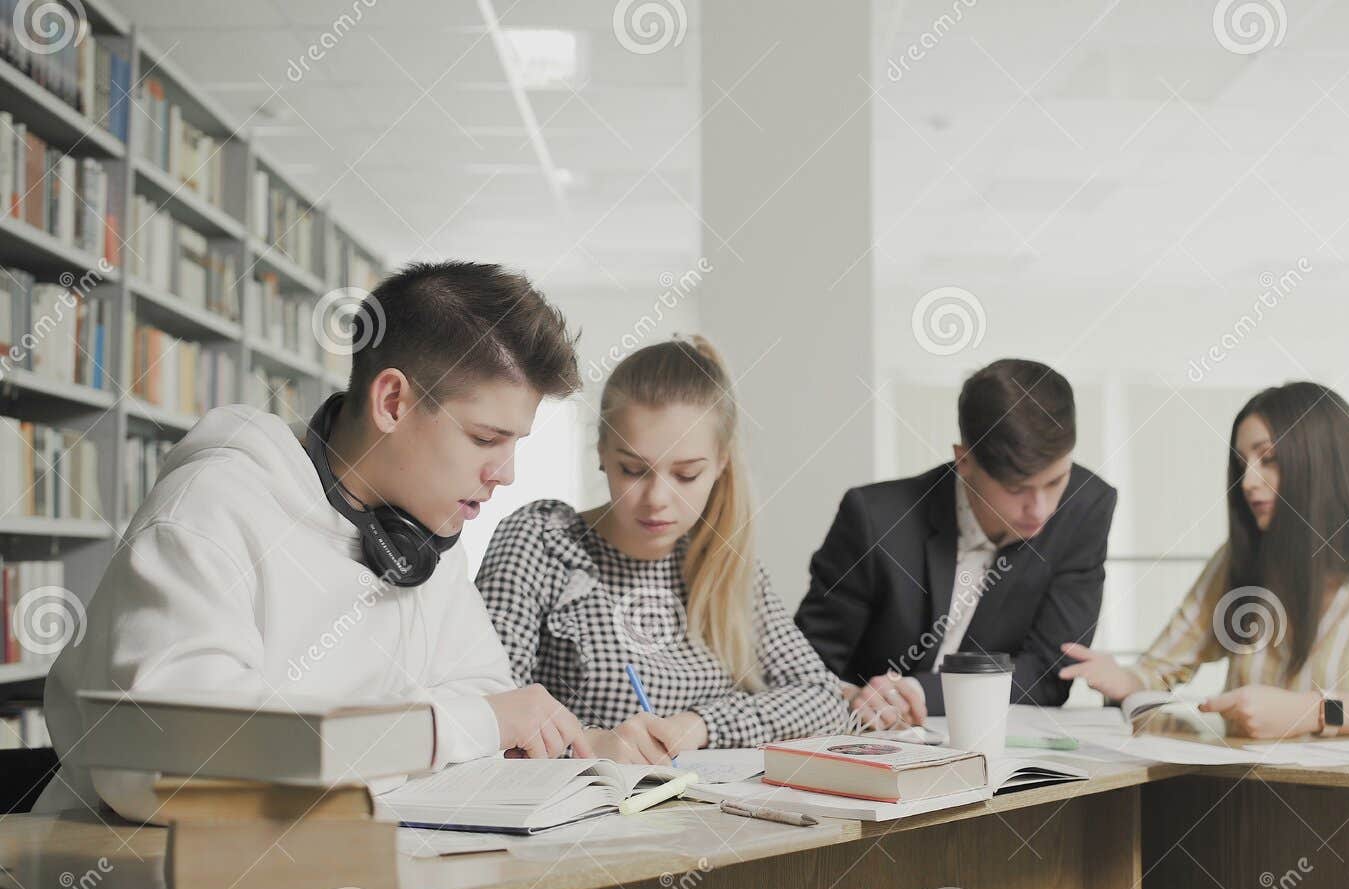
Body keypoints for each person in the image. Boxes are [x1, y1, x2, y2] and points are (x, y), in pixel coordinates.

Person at [40, 261, 593, 822]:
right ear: (393, 402)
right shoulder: (212, 503)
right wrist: (453, 727)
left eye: (514, 443)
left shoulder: (424, 540)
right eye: (484, 438)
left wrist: (466, 730)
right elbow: (169, 762)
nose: (506, 474)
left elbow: (488, 710)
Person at [476, 336, 847, 765]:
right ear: (601, 454)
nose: (657, 499)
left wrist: (698, 727)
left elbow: (824, 699)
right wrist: (591, 747)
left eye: (686, 474)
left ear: (721, 464)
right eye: (633, 470)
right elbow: (489, 718)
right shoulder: (542, 541)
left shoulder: (722, 561)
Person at [1060, 381, 1349, 738]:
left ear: (1325, 464)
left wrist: (1311, 712)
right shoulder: (1238, 562)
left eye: (1270, 459)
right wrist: (1127, 679)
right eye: (1242, 464)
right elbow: (1161, 668)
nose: (1248, 483)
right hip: (1246, 802)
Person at [796, 358, 1117, 728]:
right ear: (963, 461)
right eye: (1016, 489)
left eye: (1055, 481)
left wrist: (917, 692)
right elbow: (805, 667)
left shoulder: (1086, 507)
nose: (1040, 510)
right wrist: (856, 697)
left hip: (1004, 748)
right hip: (870, 743)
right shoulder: (875, 519)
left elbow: (1048, 673)